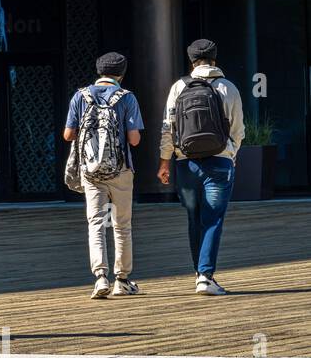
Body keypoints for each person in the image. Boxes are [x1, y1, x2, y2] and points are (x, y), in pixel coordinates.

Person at [158, 39, 245, 296]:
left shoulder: (178, 87)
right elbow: (238, 130)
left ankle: (199, 273)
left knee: (193, 218)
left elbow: (168, 129)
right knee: (213, 219)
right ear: (215, 59)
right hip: (220, 161)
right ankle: (206, 276)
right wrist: (232, 153)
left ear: (191, 61)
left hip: (186, 164)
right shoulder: (228, 88)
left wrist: (165, 161)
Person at [62, 53, 145, 300]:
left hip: (90, 172)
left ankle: (100, 278)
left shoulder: (80, 96)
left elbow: (68, 135)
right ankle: (122, 280)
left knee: (96, 223)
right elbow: (134, 139)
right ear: (121, 73)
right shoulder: (127, 97)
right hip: (120, 169)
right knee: (122, 225)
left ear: (99, 71)